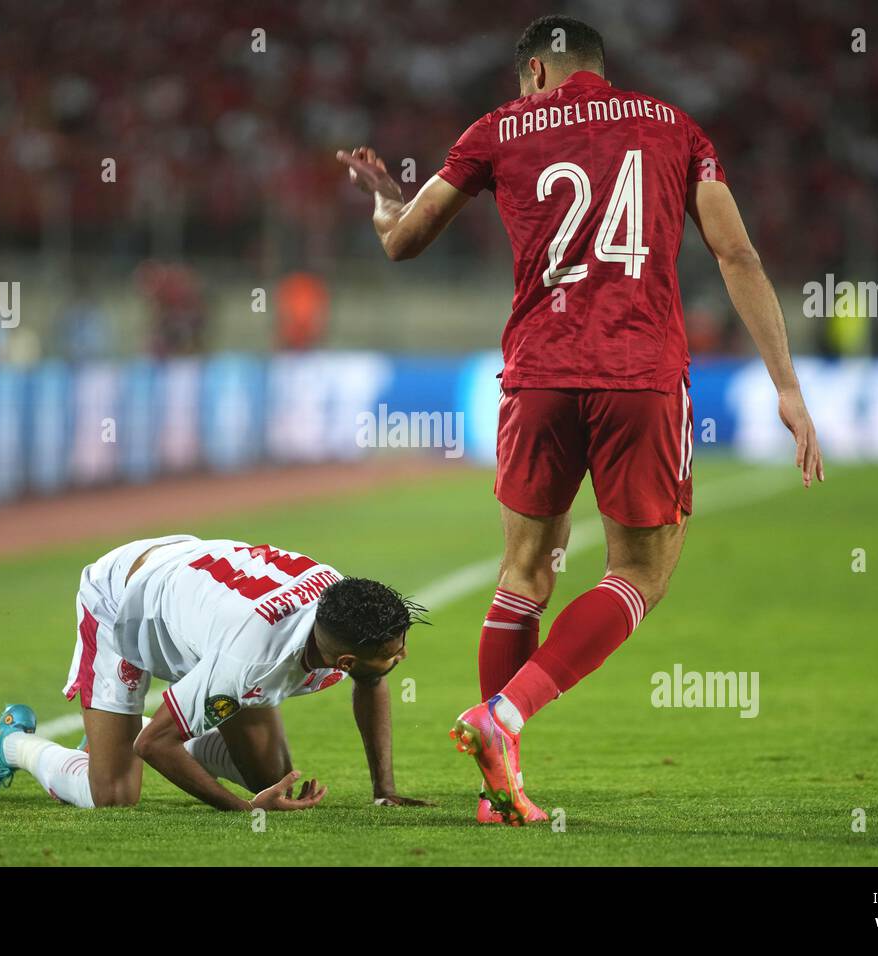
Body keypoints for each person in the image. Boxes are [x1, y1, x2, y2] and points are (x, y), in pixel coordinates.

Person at [338, 15, 824, 825]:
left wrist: (387, 201)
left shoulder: (496, 129)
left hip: (539, 374)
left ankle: (500, 784)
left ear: (532, 74)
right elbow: (737, 255)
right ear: (598, 68)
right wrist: (787, 386)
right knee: (639, 572)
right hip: (638, 373)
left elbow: (404, 241)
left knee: (524, 573)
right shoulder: (673, 126)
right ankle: (505, 717)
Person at [0, 535, 430, 813]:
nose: (402, 656)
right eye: (394, 651)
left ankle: (114, 734)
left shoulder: (341, 604)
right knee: (112, 794)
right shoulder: (251, 662)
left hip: (194, 590)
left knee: (271, 775)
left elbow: (371, 680)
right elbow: (154, 747)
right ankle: (12, 744)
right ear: (344, 662)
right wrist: (244, 809)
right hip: (125, 602)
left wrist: (383, 790)